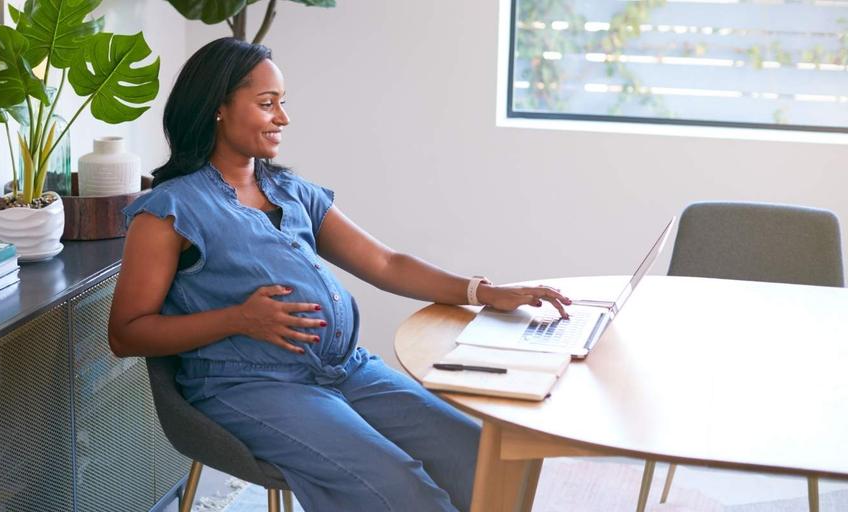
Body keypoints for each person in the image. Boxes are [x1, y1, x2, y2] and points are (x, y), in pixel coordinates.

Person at [108, 37, 572, 512]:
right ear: (217, 108)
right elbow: (125, 334)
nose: (282, 118)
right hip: (249, 384)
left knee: (482, 457)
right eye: (267, 104)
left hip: (345, 369)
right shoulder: (170, 211)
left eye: (282, 103)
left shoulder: (289, 190)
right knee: (402, 489)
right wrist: (239, 320)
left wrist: (483, 292)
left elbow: (386, 263)